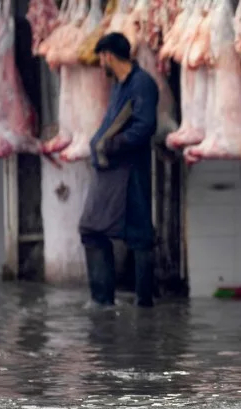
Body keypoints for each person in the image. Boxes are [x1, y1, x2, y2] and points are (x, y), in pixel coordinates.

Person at [79, 32, 158, 308]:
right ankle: (103, 299)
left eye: (101, 58)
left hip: (131, 169)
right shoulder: (120, 86)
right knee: (91, 229)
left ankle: (143, 303)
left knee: (139, 235)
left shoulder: (142, 84)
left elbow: (144, 127)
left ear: (108, 56)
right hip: (111, 169)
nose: (101, 64)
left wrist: (113, 144)